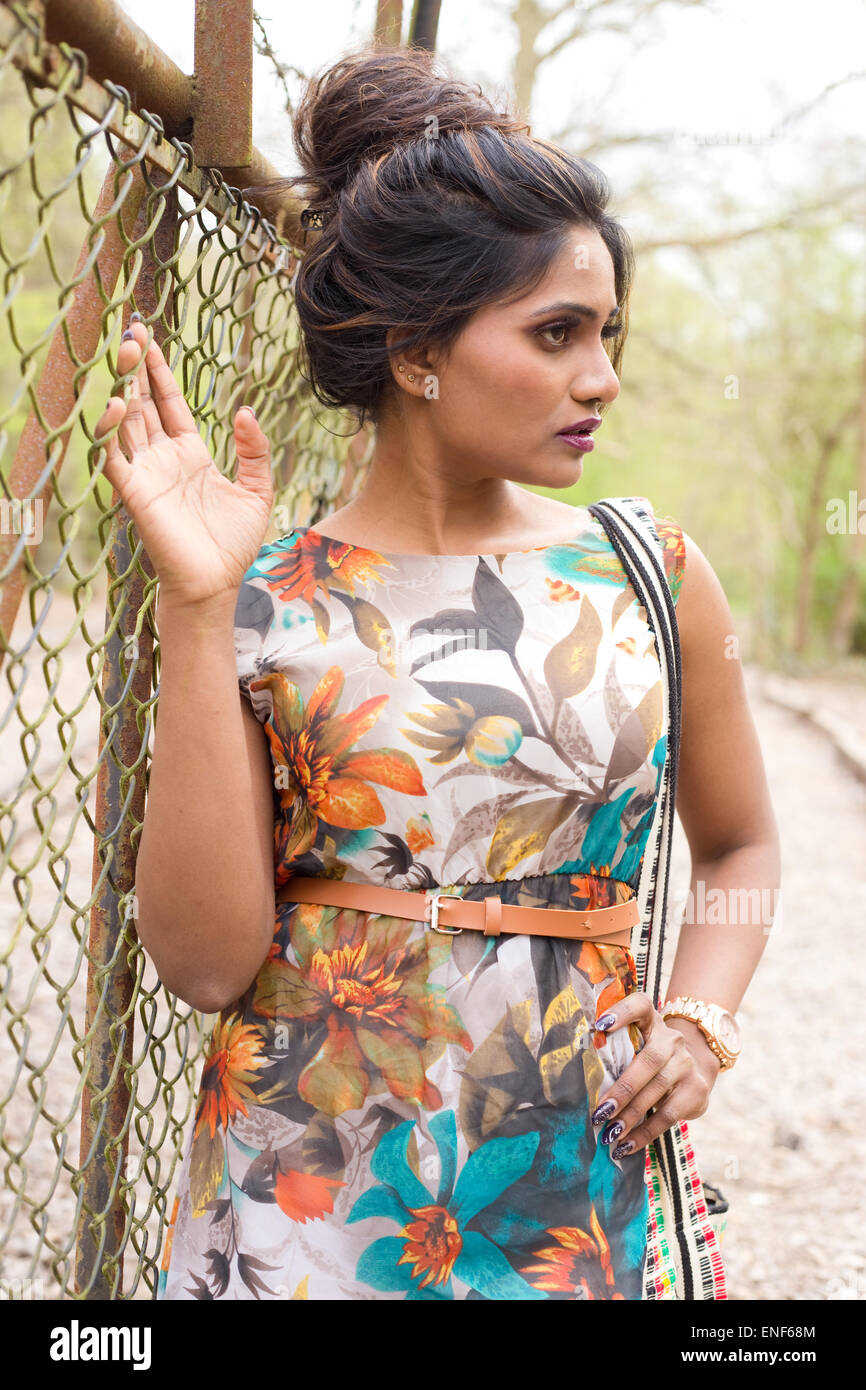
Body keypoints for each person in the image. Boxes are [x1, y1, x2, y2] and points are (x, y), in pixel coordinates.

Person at [97, 45, 780, 1301]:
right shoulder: (258, 597)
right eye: (556, 333)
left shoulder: (650, 571)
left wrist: (698, 1018)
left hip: (571, 1174)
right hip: (303, 1188)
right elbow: (202, 965)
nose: (601, 378)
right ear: (416, 352)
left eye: (607, 334)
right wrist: (197, 610)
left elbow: (739, 847)